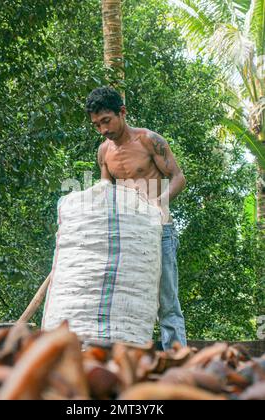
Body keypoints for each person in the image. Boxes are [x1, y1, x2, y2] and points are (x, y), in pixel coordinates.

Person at [85, 86, 187, 349]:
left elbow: (179, 178)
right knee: (123, 299)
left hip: (159, 230)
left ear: (122, 112)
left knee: (167, 303)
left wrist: (158, 203)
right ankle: (124, 360)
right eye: (96, 125)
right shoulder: (103, 152)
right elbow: (105, 191)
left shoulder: (149, 140)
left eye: (106, 121)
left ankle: (177, 363)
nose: (103, 129)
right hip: (126, 233)